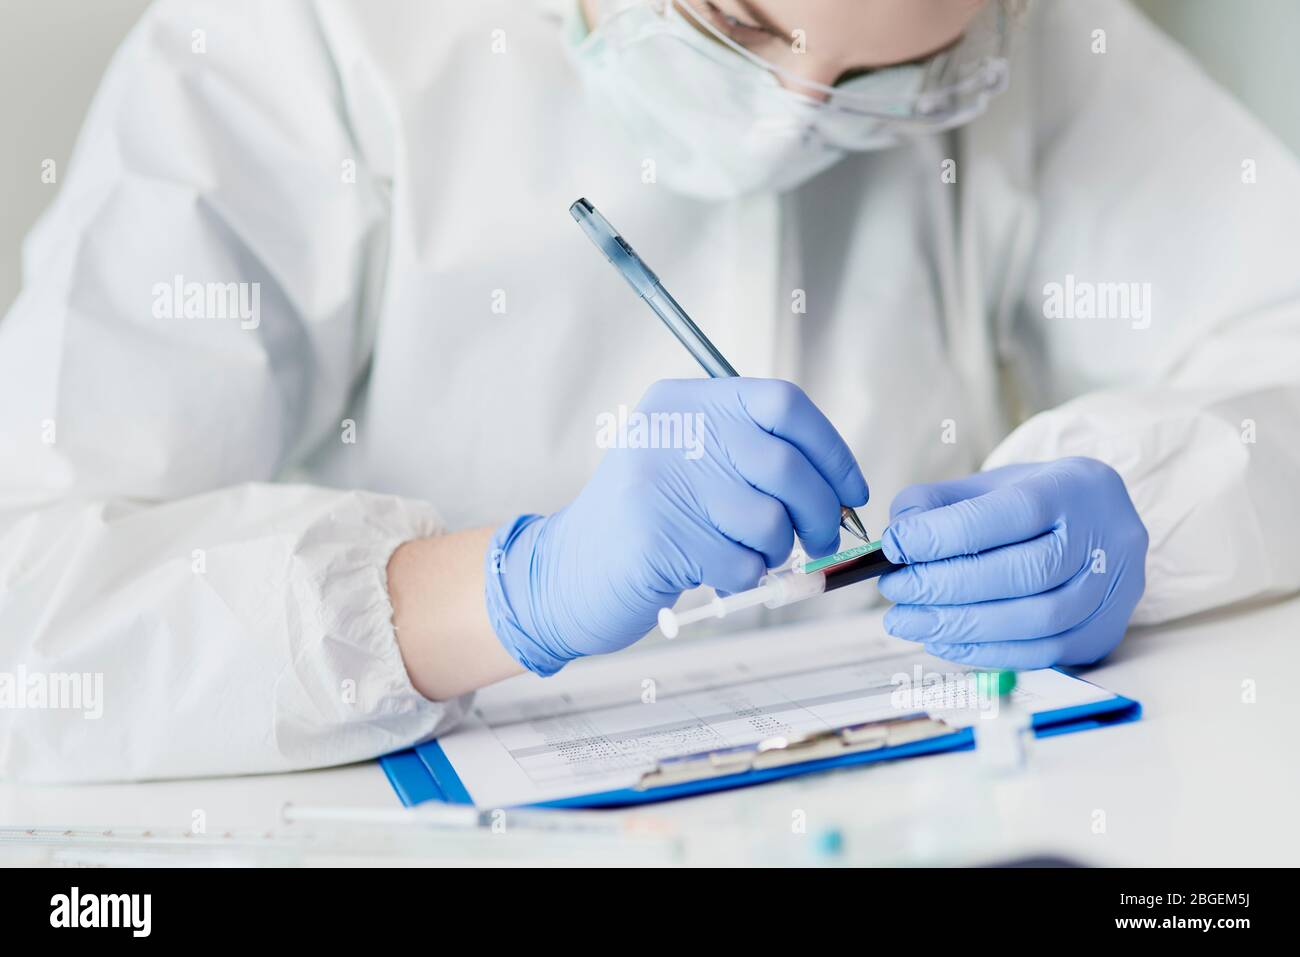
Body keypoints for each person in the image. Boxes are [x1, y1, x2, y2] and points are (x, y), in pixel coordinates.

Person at [1, 0, 1297, 782]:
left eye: (881, 83)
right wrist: (499, 588)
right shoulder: (296, 44)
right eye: (737, 20)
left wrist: (1149, 499)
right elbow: (35, 605)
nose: (792, 121)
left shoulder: (1032, 43)